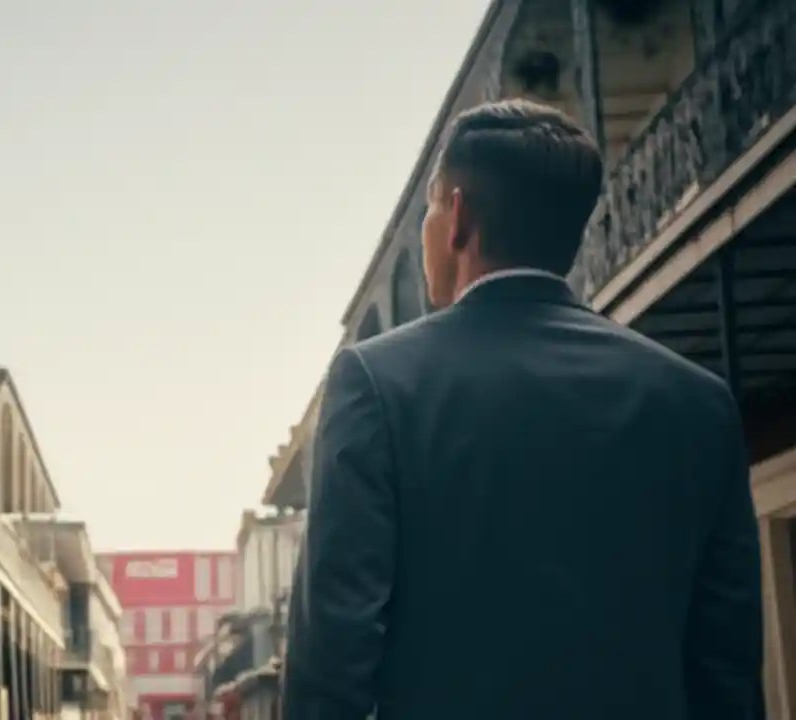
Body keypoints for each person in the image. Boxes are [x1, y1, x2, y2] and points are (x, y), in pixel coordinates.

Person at [282, 99, 762, 719]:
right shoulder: (698, 403)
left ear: (456, 216)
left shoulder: (376, 383)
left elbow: (330, 665)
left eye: (430, 204)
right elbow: (727, 671)